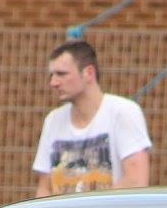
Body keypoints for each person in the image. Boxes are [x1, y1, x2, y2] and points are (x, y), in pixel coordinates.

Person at [32, 41, 152, 197]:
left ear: (88, 73)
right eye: (52, 75)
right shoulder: (53, 120)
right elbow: (44, 189)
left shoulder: (123, 112)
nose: (53, 83)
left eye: (62, 74)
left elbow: (136, 181)